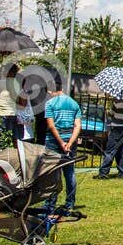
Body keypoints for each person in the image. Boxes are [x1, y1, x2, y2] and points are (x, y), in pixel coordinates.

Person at [43, 79, 82, 210]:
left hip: (53, 141)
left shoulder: (50, 103)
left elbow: (51, 126)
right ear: (62, 89)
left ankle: (50, 204)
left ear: (50, 90)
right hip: (70, 141)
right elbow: (77, 126)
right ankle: (70, 203)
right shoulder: (74, 104)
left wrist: (61, 142)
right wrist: (69, 143)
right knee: (70, 172)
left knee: (52, 172)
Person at [0, 64, 20, 143]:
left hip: (1, 113)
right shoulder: (17, 83)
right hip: (12, 113)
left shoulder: (2, 82)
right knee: (8, 137)